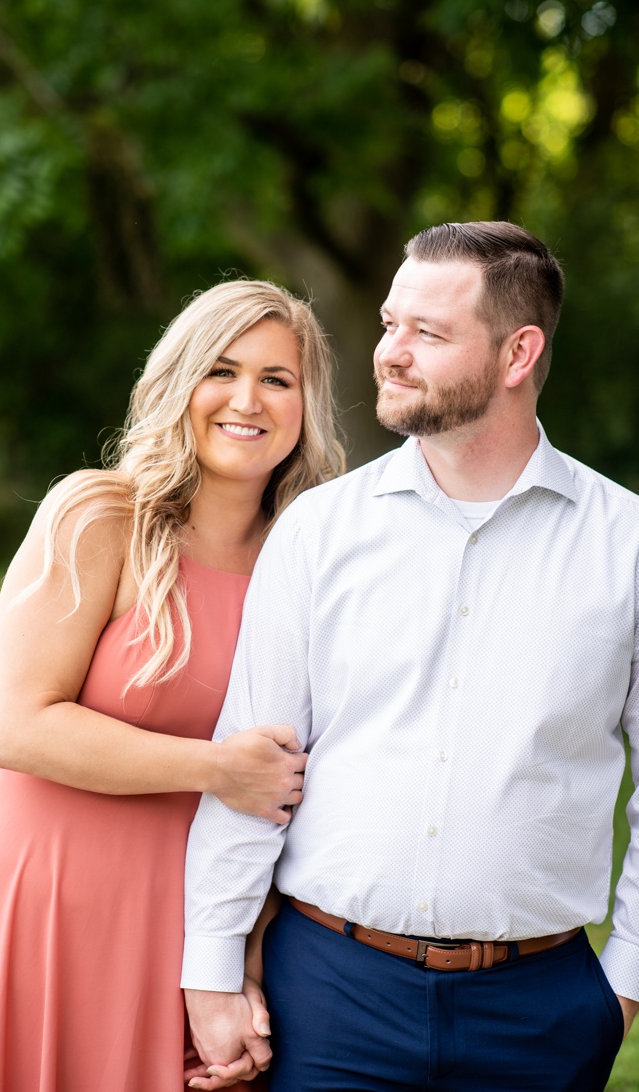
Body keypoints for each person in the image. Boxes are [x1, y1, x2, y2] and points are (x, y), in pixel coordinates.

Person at [182, 221, 639, 1092]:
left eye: (427, 333)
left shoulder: (626, 545)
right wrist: (213, 969)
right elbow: (255, 763)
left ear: (518, 353)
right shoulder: (319, 531)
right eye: (392, 324)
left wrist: (621, 986)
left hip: (542, 1011)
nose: (391, 352)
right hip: (327, 995)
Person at [0, 280, 344, 1092]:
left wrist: (243, 950)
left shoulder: (317, 563)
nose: (247, 399)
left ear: (306, 404)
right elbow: (17, 726)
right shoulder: (102, 515)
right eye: (222, 369)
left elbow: (303, 783)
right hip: (42, 887)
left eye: (277, 379)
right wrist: (217, 767)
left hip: (189, 905)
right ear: (179, 382)